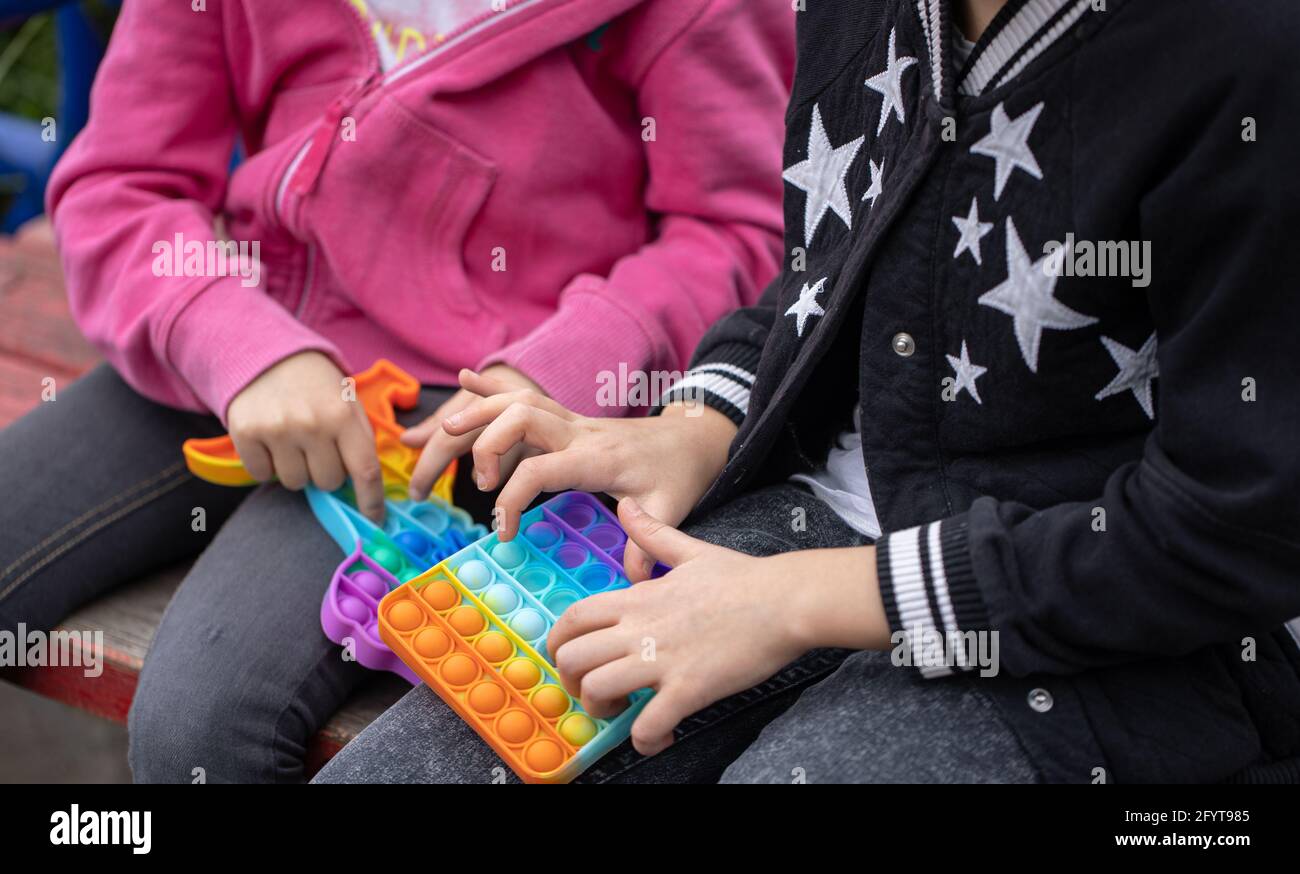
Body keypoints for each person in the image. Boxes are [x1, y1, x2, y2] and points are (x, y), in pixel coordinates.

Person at [315, 0, 1300, 783]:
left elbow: (1225, 535)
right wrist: (696, 424)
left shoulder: (1248, 50)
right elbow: (825, 277)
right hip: (826, 522)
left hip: (1134, 623)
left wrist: (796, 602)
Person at [0, 0, 794, 782]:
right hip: (225, 335)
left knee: (200, 730)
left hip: (458, 408)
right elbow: (121, 180)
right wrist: (236, 343)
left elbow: (739, 231)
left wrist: (555, 372)